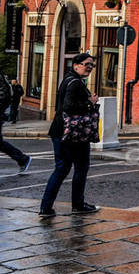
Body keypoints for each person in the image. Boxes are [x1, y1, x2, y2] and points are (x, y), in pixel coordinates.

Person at [39, 52, 99, 215]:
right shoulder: (76, 83)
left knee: (61, 168)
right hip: (73, 134)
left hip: (60, 131)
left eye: (92, 65)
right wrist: (89, 103)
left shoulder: (68, 79)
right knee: (81, 167)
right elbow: (68, 107)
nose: (90, 67)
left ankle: (46, 207)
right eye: (87, 64)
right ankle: (78, 205)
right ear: (76, 65)